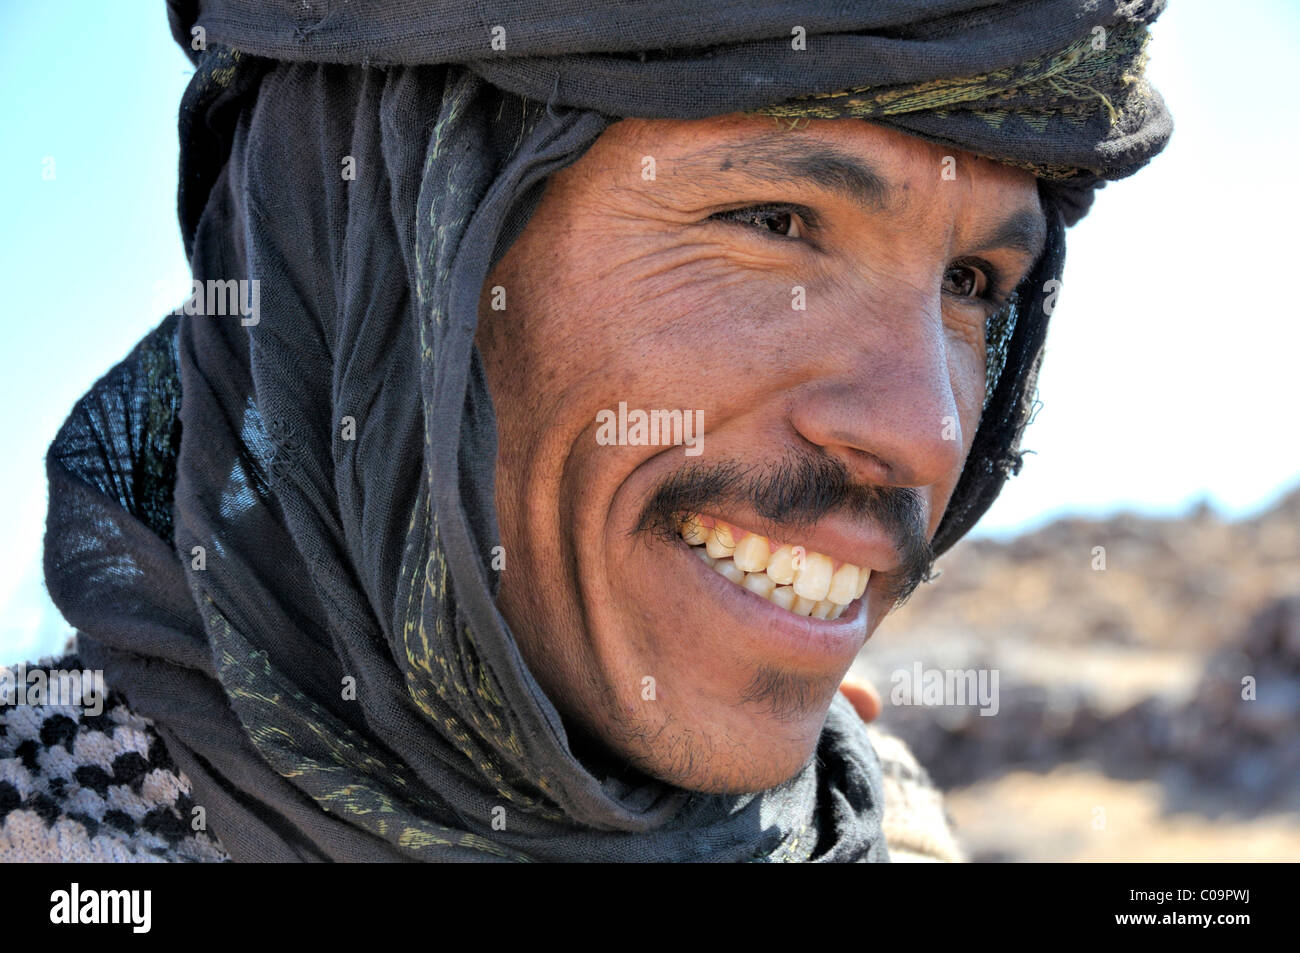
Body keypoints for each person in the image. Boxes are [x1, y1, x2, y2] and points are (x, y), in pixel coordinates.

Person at [2, 0, 1171, 862]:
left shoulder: (877, 826)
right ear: (389, 258)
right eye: (774, 220)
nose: (922, 432)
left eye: (972, 279)